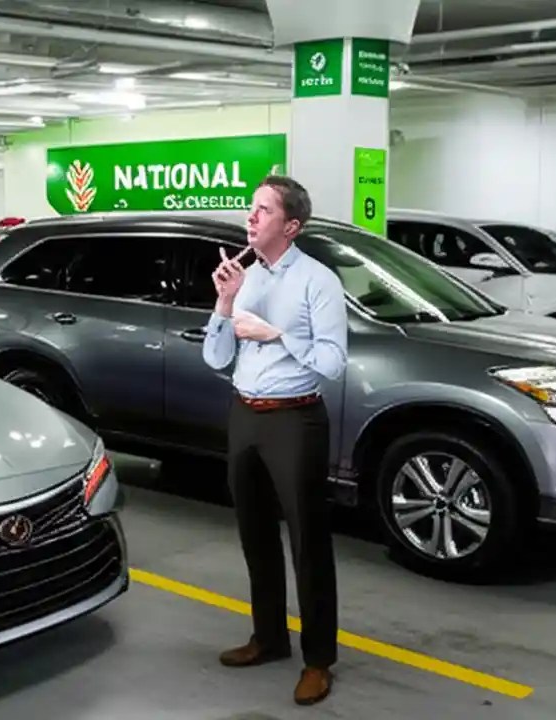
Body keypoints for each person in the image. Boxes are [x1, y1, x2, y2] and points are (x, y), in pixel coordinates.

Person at [201, 175, 349, 706]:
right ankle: (267, 638)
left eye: (263, 210)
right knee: (254, 534)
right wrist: (223, 304)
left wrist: (278, 334)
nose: (251, 217)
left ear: (291, 226)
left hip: (295, 420)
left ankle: (318, 660)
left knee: (308, 543)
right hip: (246, 415)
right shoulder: (244, 278)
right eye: (251, 207)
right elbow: (216, 359)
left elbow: (332, 363)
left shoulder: (318, 282)